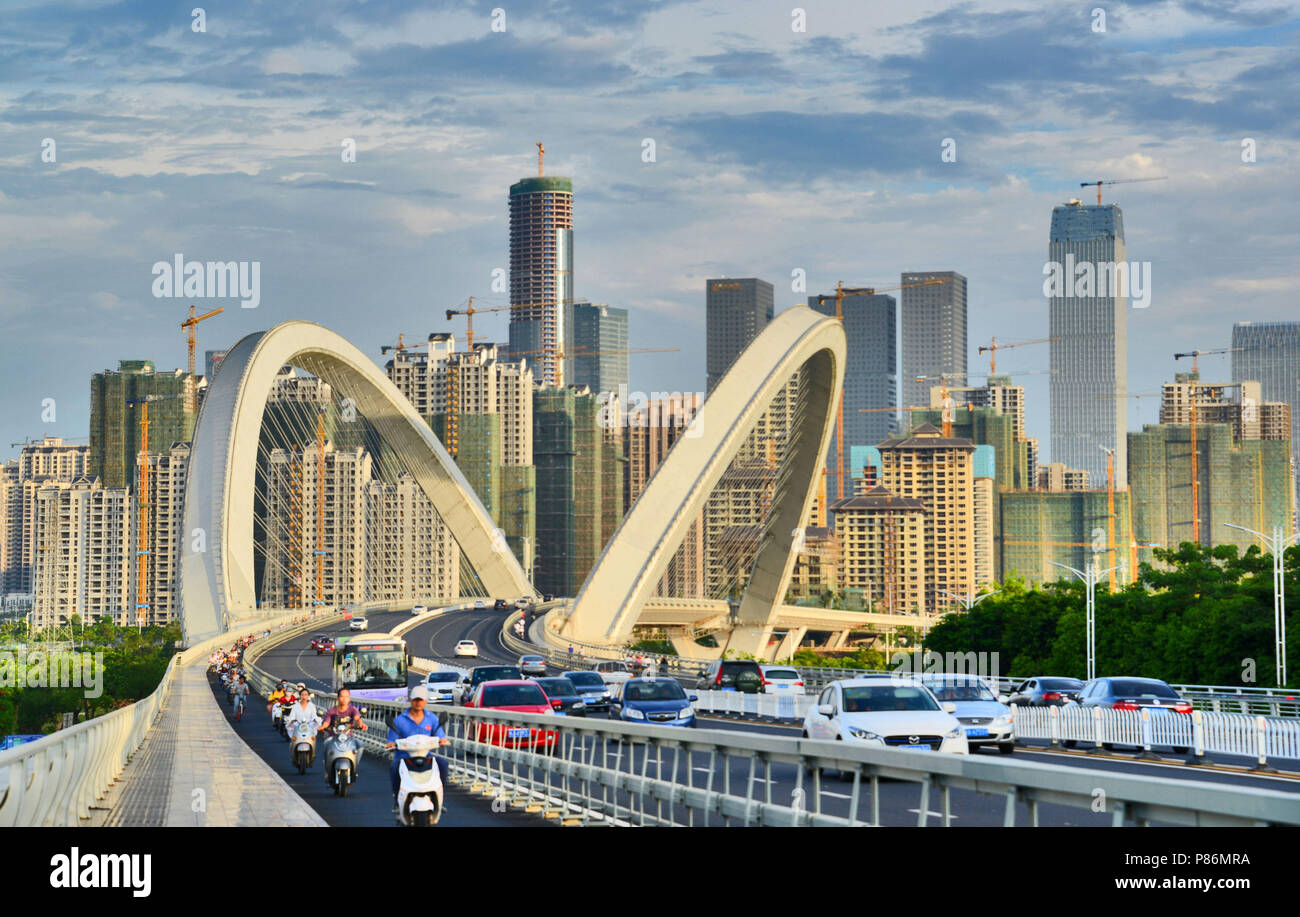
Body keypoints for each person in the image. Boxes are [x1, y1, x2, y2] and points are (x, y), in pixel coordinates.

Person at [385, 685, 450, 813]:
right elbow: (391, 740)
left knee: (443, 763)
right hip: (404, 757)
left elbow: (440, 736)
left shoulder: (432, 718)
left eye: (421, 700)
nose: (418, 703)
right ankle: (397, 801)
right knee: (394, 768)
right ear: (410, 700)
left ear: (426, 701)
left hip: (426, 756)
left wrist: (442, 741)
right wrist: (391, 745)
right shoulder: (399, 720)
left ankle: (439, 799)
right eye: (415, 699)